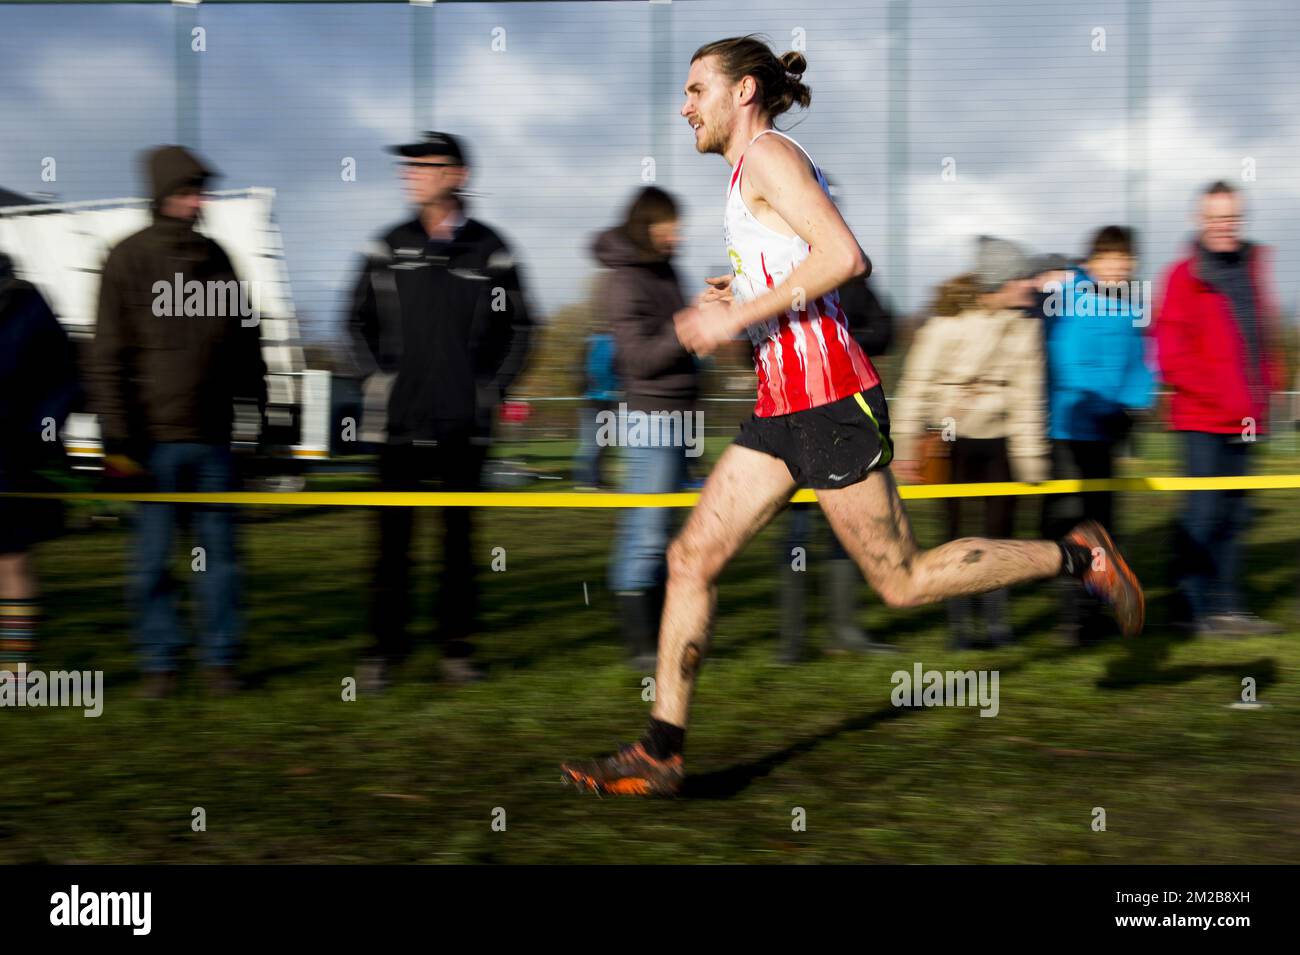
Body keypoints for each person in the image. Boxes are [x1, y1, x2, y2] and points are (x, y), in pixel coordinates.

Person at [560, 36, 1143, 796]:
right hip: (780, 407)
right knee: (689, 558)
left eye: (697, 89)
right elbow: (799, 269)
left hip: (833, 402)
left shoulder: (770, 155)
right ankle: (661, 749)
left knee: (901, 583)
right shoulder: (747, 174)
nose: (685, 106)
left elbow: (842, 257)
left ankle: (1079, 555)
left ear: (742, 92)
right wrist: (736, 297)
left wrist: (738, 319)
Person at [349, 131, 533, 689]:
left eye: (425, 164)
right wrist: (380, 381)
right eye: (407, 166)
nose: (412, 173)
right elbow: (355, 323)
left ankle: (457, 652)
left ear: (458, 175)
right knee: (391, 548)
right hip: (397, 427)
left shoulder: (491, 250)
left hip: (463, 428)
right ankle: (383, 652)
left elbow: (521, 328)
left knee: (458, 547)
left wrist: (490, 390)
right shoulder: (386, 246)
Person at [90, 145, 267, 699]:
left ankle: (220, 663)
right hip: (151, 445)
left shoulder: (220, 260)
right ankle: (160, 664)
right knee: (151, 565)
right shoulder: (126, 259)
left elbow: (247, 346)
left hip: (214, 442)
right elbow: (106, 356)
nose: (198, 201)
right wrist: (118, 440)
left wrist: (256, 423)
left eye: (201, 191)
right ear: (163, 195)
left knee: (222, 564)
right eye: (188, 191)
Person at [892, 244, 1049, 648]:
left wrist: (1031, 462)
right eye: (1023, 278)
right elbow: (916, 387)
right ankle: (959, 623)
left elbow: (1029, 398)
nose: (1031, 284)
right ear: (1001, 283)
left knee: (1001, 536)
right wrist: (905, 445)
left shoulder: (1025, 328)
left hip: (1001, 442)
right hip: (952, 439)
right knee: (955, 536)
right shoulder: (945, 324)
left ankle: (997, 621)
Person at [1154, 182, 1283, 637]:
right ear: (1199, 220)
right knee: (1203, 514)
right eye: (1215, 218)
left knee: (1236, 515)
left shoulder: (1252, 269)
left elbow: (1262, 339)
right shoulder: (1180, 277)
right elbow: (1171, 355)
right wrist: (1223, 397)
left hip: (1248, 419)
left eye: (1232, 218)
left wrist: (1268, 390)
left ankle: (1228, 608)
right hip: (1203, 419)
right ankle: (1187, 610)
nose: (1225, 226)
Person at [597, 186, 699, 669]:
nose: (676, 234)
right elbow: (637, 359)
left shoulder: (667, 269)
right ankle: (640, 648)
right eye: (668, 225)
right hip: (650, 420)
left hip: (680, 416)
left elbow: (674, 333)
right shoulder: (623, 281)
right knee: (646, 532)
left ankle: (657, 634)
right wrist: (686, 327)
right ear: (647, 226)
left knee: (662, 530)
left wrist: (700, 314)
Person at [775, 268, 895, 662]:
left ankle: (846, 631)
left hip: (843, 422)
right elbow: (749, 348)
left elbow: (885, 332)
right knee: (797, 533)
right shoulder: (776, 276)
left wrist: (837, 344)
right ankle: (792, 640)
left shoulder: (852, 279)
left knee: (847, 529)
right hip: (790, 419)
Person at [1041, 226, 1154, 644]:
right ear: (1091, 261)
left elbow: (1138, 365)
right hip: (1068, 430)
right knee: (1072, 524)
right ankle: (1072, 618)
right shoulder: (1068, 295)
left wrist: (1133, 403)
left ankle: (1094, 613)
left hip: (1106, 432)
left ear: (1132, 264)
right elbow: (1064, 358)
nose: (1115, 266)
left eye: (1122, 259)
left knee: (1105, 527)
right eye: (1106, 258)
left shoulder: (1130, 308)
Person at [0, 252, 82, 671]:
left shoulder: (28, 303)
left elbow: (63, 376)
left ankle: (16, 668)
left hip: (14, 452)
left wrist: (41, 431)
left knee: (11, 559)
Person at [573, 329, 618, 490]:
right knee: (599, 442)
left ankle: (587, 479)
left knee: (591, 441)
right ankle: (591, 481)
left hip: (590, 398)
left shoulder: (590, 342)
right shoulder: (612, 343)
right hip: (605, 398)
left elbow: (578, 371)